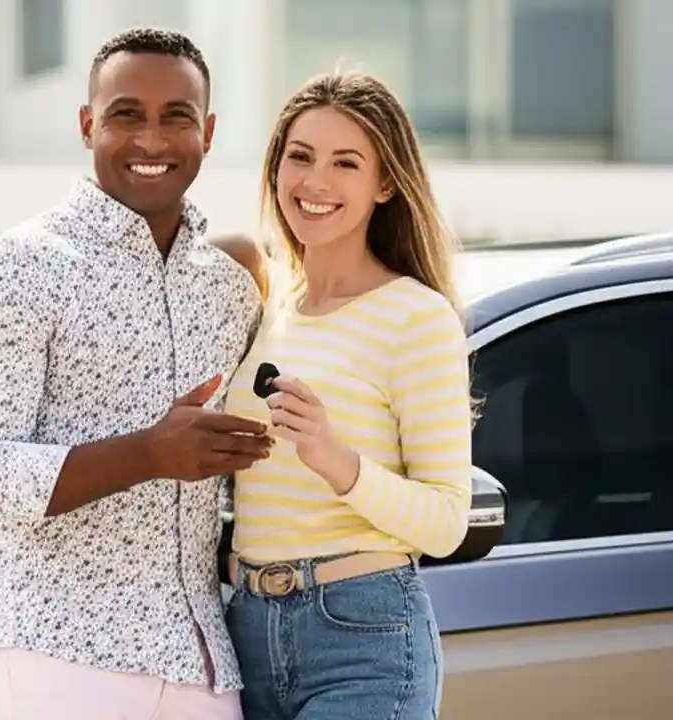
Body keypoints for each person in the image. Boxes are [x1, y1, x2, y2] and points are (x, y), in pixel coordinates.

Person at [0, 27, 270, 720]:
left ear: (206, 133)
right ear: (88, 125)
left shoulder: (229, 291)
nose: (151, 140)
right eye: (126, 115)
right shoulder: (17, 268)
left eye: (176, 117)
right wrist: (148, 454)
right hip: (59, 653)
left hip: (202, 658)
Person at [222, 71, 473, 720]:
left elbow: (446, 523)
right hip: (243, 631)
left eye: (346, 163)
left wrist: (338, 460)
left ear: (384, 184)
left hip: (362, 634)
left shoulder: (416, 317)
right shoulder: (262, 305)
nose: (316, 182)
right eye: (299, 157)